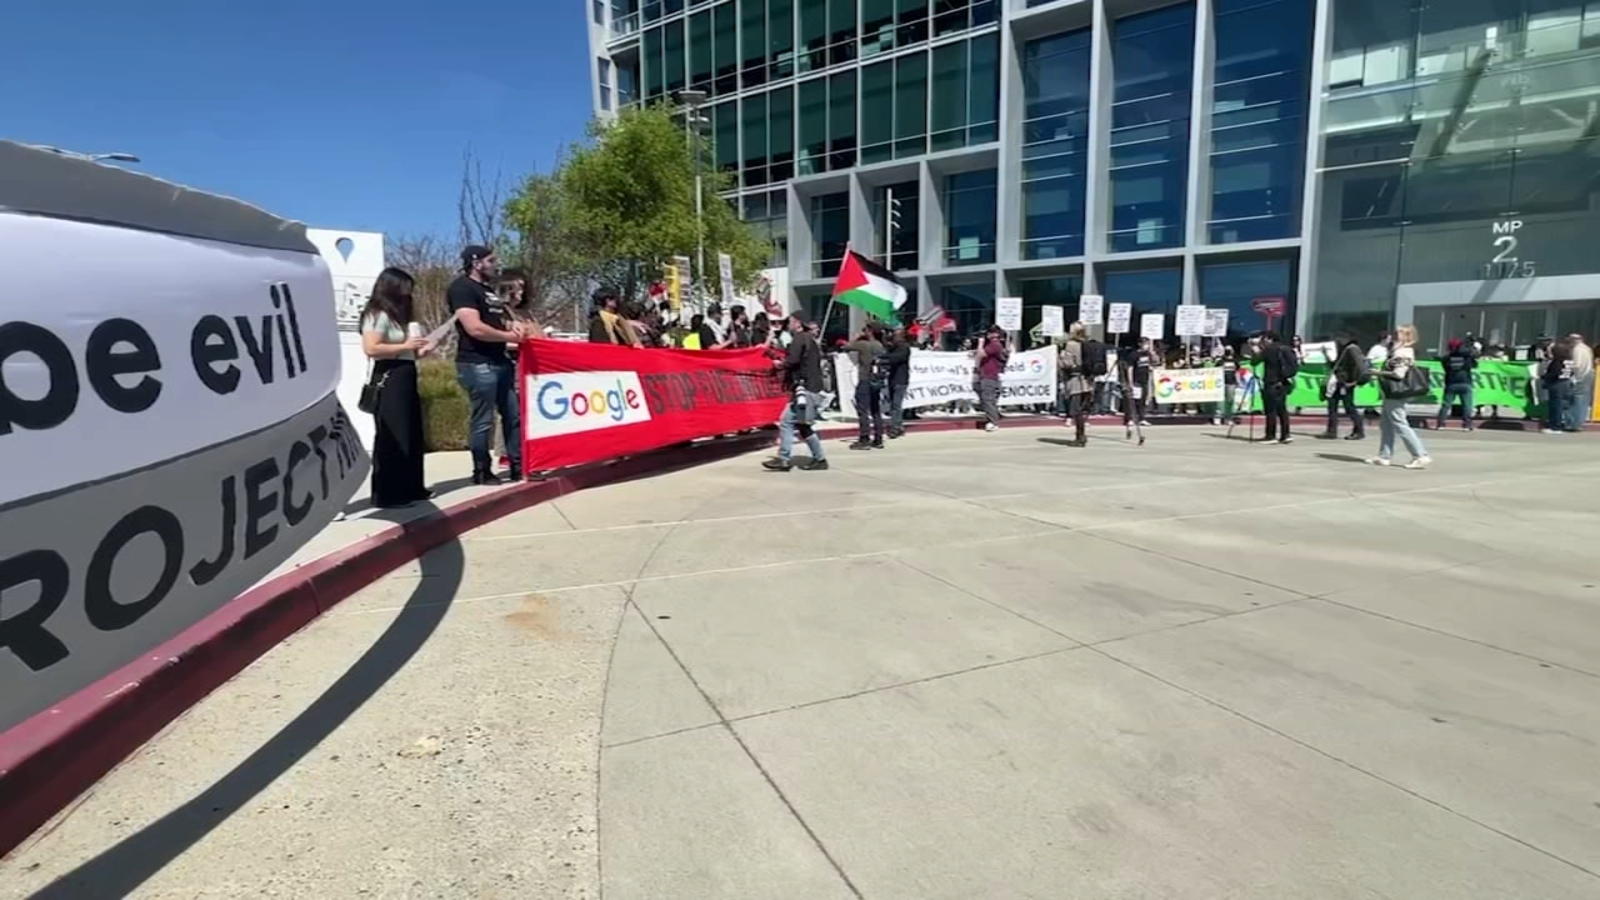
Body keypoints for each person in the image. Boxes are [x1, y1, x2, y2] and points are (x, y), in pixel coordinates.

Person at [450, 245, 526, 485]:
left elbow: (496, 321)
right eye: (491, 261)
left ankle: (518, 464)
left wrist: (511, 327)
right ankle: (482, 470)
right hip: (477, 363)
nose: (495, 265)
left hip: (500, 361)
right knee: (483, 420)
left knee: (513, 415)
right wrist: (508, 337)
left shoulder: (488, 291)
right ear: (476, 262)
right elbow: (474, 328)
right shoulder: (461, 288)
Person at [360, 268, 434, 508]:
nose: (408, 293)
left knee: (412, 431)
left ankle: (412, 487)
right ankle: (388, 493)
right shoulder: (377, 314)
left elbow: (411, 352)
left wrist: (421, 348)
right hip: (389, 374)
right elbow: (371, 348)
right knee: (394, 433)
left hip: (406, 372)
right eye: (404, 288)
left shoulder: (401, 317)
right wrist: (405, 345)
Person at [764, 314, 829, 471]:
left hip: (804, 388)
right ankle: (818, 459)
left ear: (798, 323)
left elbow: (793, 360)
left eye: (791, 322)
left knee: (787, 421)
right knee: (801, 425)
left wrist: (779, 364)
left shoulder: (800, 339)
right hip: (809, 388)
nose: (788, 325)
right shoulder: (809, 339)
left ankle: (785, 459)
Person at [1369, 324, 1431, 468]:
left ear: (1406, 336)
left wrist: (1377, 373)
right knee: (1386, 424)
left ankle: (1420, 454)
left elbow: (1398, 374)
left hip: (1395, 392)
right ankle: (1384, 455)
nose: (1395, 335)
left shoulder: (1402, 352)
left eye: (1399, 333)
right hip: (1391, 392)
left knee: (1399, 423)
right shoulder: (1397, 351)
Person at [845, 324, 885, 449]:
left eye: (865, 330)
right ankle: (878, 438)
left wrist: (857, 337)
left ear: (870, 331)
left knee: (862, 410)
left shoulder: (863, 344)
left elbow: (846, 346)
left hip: (865, 379)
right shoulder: (880, 346)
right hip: (876, 380)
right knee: (875, 410)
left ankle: (864, 438)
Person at [1323, 334, 1367, 440]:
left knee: (1349, 407)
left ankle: (1358, 431)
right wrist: (1327, 356)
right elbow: (1337, 365)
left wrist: (1354, 382)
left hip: (1346, 382)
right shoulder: (1346, 350)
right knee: (1333, 405)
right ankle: (1332, 430)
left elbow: (1359, 368)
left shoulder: (1351, 350)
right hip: (1341, 381)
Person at [1258, 331, 1298, 444]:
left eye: (1264, 339)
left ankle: (1271, 436)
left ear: (1269, 339)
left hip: (1271, 382)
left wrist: (1257, 348)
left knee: (1271, 410)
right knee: (1282, 410)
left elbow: (1255, 361)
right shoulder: (1286, 348)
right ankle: (1286, 435)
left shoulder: (1269, 349)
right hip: (1283, 383)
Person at [1059, 322, 1094, 447]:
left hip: (1075, 381)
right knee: (1081, 410)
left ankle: (1080, 436)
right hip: (1088, 381)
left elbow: (1067, 363)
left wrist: (1061, 357)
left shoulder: (1071, 345)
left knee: (1076, 410)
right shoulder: (1088, 344)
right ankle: (1081, 435)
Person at [878, 325, 913, 438]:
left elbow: (896, 358)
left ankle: (895, 428)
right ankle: (899, 426)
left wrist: (882, 359)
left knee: (896, 405)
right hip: (893, 379)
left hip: (900, 380)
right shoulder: (894, 347)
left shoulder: (904, 347)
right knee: (894, 404)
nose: (893, 335)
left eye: (895, 333)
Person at [1436, 338, 1477, 431]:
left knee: (1446, 405)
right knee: (1467, 405)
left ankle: (1440, 424)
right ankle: (1467, 425)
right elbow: (1474, 365)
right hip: (1465, 383)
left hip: (1451, 383)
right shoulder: (1467, 358)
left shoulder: (1446, 359)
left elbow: (1445, 366)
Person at [974, 325, 1009, 432]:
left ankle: (993, 422)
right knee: (987, 398)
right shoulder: (994, 345)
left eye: (991, 332)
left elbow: (981, 354)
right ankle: (994, 417)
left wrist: (980, 343)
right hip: (987, 374)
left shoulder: (995, 345)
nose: (988, 335)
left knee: (988, 399)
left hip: (989, 375)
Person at [1542, 336, 1577, 433]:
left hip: (1557, 384)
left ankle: (1555, 426)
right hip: (1566, 383)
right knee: (1563, 405)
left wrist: (1544, 376)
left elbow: (1554, 373)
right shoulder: (1569, 361)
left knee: (1555, 406)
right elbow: (1572, 372)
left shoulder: (1557, 361)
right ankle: (1563, 423)